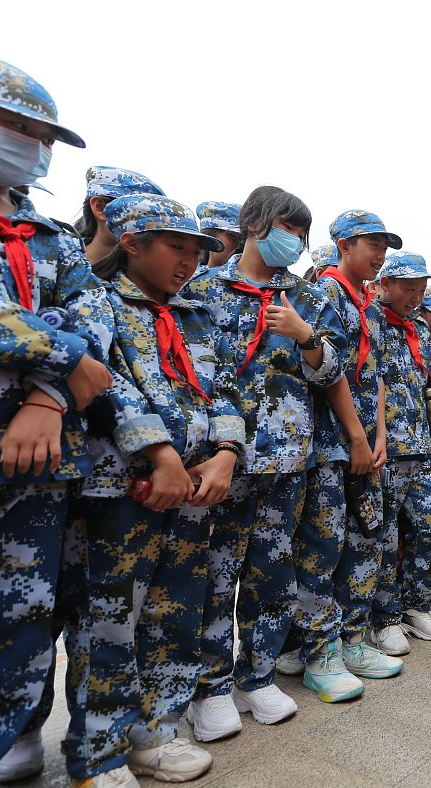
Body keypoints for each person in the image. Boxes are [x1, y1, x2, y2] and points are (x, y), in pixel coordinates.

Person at [0, 54, 116, 788]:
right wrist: (61, 354)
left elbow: (96, 314)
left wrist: (50, 395)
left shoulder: (46, 237)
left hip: (35, 470)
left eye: (42, 136)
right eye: (17, 127)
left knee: (6, 651)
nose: (32, 147)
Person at [61, 194, 243, 788]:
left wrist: (226, 454)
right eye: (176, 248)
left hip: (193, 489)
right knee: (111, 621)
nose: (189, 261)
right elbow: (102, 382)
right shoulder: (96, 298)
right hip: (123, 488)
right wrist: (161, 454)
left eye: (197, 251)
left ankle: (155, 730)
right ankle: (98, 756)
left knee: (176, 610)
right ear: (133, 243)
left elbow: (220, 389)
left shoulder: (194, 315)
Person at [183, 186, 345, 738]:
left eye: (302, 234)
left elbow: (330, 376)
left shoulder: (307, 298)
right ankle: (209, 688)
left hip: (288, 461)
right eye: (287, 228)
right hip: (223, 462)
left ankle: (257, 676)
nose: (295, 241)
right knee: (215, 575)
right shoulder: (203, 289)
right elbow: (195, 376)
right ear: (254, 223)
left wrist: (307, 337)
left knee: (271, 574)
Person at [301, 209, 403, 680]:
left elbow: (377, 374)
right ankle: (320, 653)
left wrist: (379, 437)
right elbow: (327, 372)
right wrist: (358, 438)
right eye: (372, 245)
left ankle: (354, 639)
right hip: (331, 444)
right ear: (343, 244)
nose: (380, 255)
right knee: (324, 549)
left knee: (366, 543)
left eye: (384, 247)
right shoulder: (323, 293)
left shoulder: (370, 305)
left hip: (366, 444)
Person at [373, 251, 431, 648]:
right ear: (386, 284)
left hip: (420, 447)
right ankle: (385, 617)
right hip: (385, 450)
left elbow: (428, 386)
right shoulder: (368, 320)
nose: (415, 297)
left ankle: (415, 604)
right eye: (409, 288)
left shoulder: (418, 330)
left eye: (421, 290)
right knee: (385, 536)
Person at [76, 165, 165, 263]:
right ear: (100, 208)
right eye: (138, 213)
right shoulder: (60, 255)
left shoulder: (150, 274)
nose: (148, 225)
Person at [195, 200, 243, 268]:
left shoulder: (253, 276)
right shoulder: (188, 274)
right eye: (234, 237)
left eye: (244, 238)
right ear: (210, 237)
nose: (240, 244)